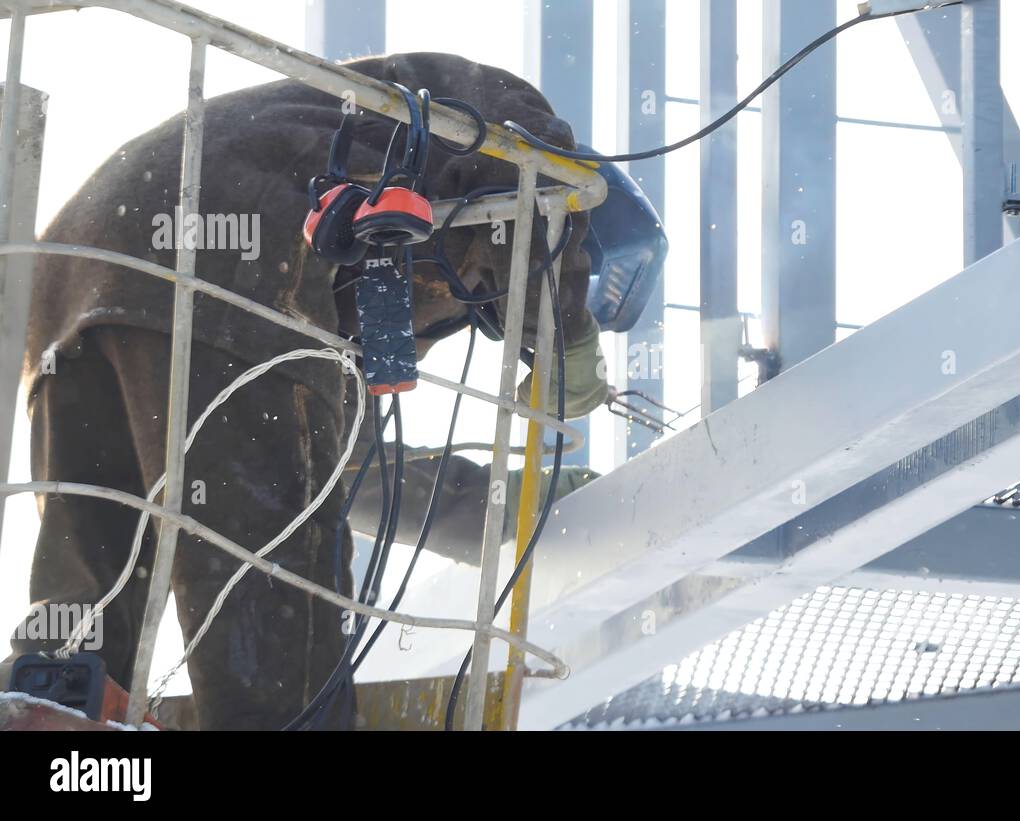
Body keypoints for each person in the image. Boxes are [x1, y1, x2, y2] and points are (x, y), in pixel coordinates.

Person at [10, 52, 608, 730]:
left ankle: (55, 730)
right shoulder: (512, 126)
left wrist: (496, 506)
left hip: (78, 266)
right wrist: (570, 337)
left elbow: (344, 469)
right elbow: (550, 182)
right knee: (275, 604)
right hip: (228, 246)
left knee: (85, 579)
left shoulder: (385, 231)